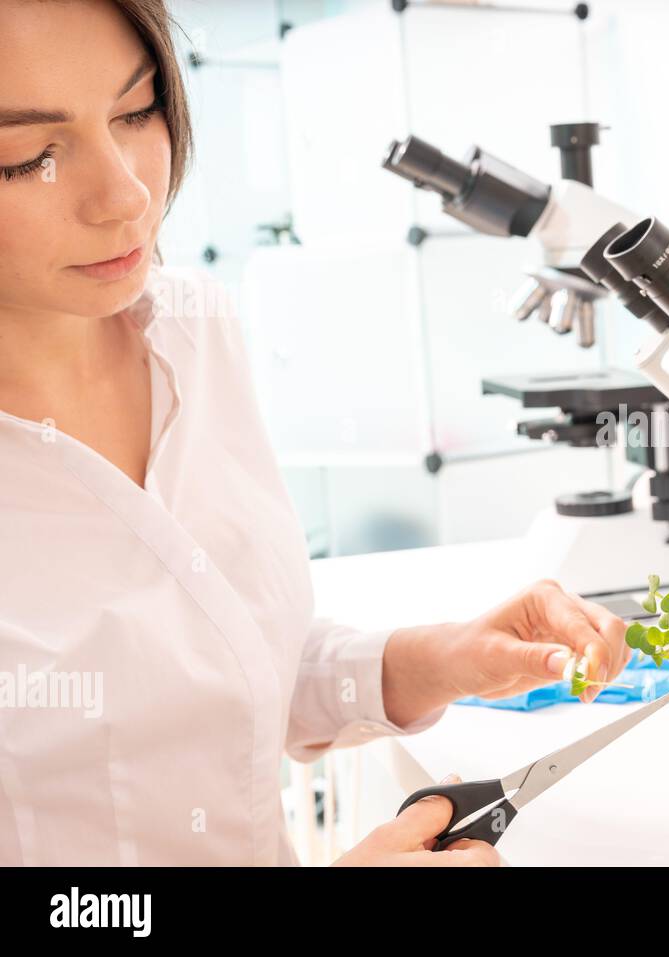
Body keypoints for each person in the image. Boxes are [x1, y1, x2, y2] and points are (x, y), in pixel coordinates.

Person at [0, 0, 630, 866]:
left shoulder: (193, 329)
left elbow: (215, 681)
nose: (126, 194)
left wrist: (440, 658)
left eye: (136, 111)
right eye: (25, 157)